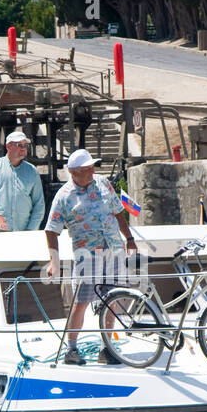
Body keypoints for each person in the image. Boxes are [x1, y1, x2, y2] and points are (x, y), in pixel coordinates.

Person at [44, 149, 137, 365]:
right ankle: (72, 350)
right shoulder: (64, 196)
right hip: (87, 256)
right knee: (82, 302)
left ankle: (107, 348)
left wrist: (130, 239)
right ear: (73, 172)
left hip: (113, 250)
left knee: (112, 300)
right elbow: (51, 230)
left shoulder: (103, 183)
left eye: (92, 167)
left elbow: (117, 212)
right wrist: (54, 261)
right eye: (87, 169)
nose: (92, 171)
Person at [0, 130, 45, 233]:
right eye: (19, 145)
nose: (23, 148)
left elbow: (39, 203)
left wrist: (32, 229)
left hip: (23, 230)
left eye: (25, 145)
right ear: (8, 146)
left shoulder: (32, 171)